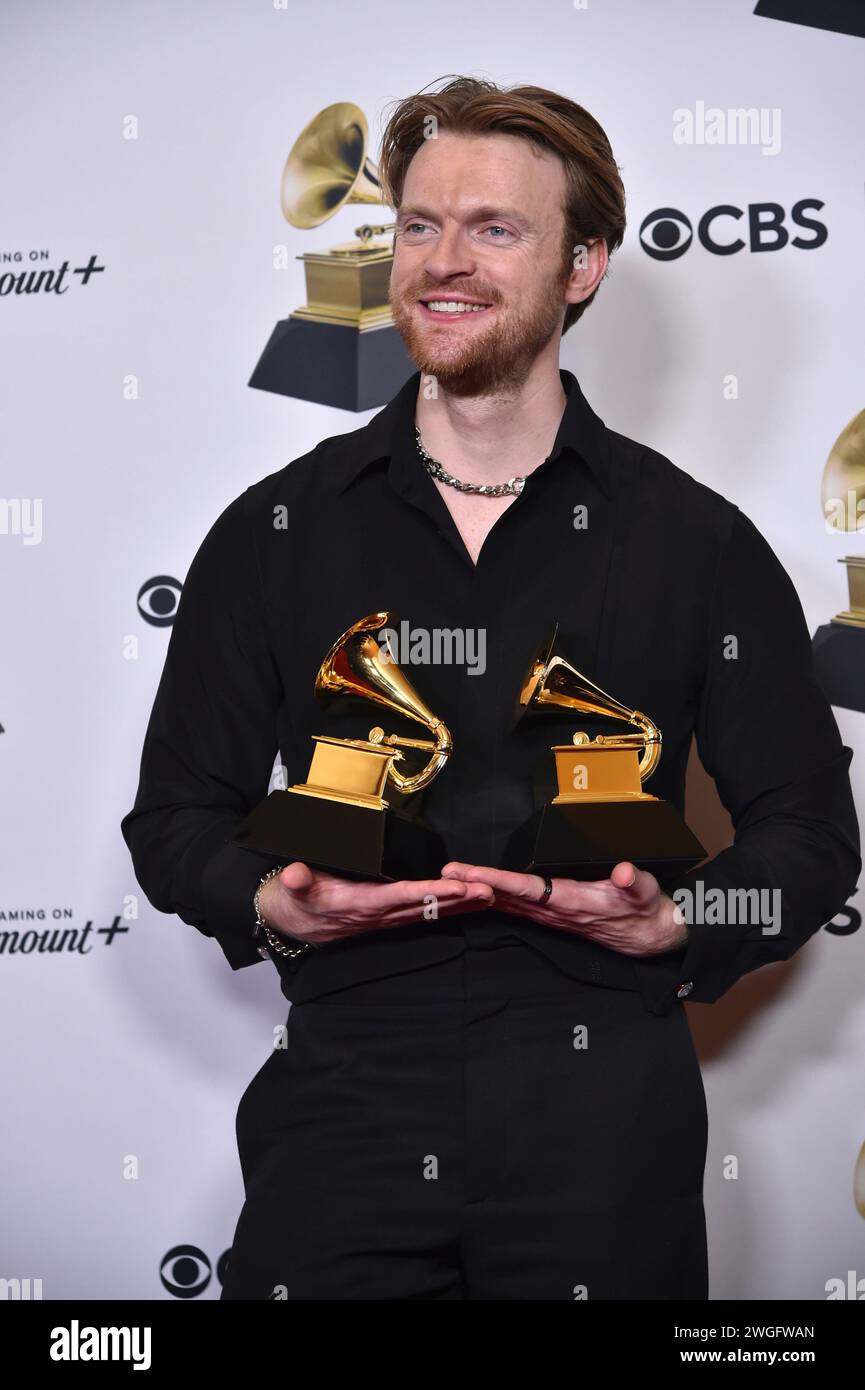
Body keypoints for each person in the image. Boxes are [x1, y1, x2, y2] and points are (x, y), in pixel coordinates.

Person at [121, 77, 860, 1300]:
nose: (442, 262)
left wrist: (681, 923)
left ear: (583, 266)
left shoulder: (697, 545)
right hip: (343, 1112)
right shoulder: (277, 534)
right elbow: (173, 819)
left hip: (604, 1129)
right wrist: (268, 899)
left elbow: (808, 836)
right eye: (419, 225)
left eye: (493, 229)